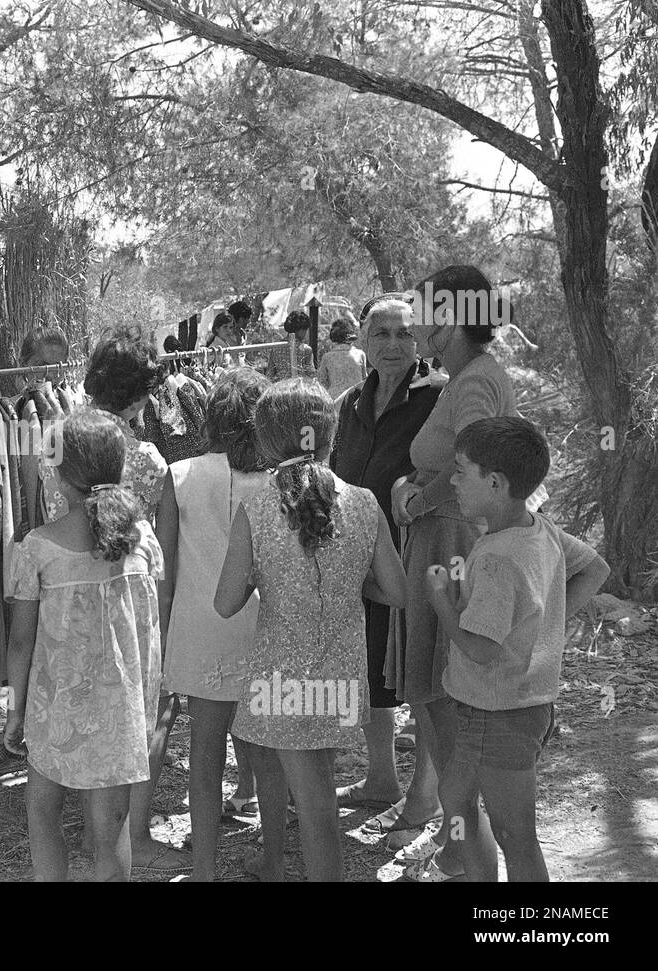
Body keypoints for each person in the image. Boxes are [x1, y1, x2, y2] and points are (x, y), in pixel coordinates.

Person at [215, 378, 407, 881]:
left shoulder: (256, 509)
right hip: (340, 666)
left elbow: (225, 602)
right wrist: (346, 586)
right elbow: (398, 592)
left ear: (263, 441)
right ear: (330, 435)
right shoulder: (364, 502)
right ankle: (274, 865)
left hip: (279, 673)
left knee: (308, 799)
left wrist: (273, 579)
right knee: (314, 790)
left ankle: (290, 867)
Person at [388, 265, 524, 880]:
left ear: (449, 317)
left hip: (452, 545)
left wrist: (418, 497)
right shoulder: (466, 377)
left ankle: (471, 853)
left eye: (422, 312)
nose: (416, 325)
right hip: (444, 538)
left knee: (445, 700)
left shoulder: (473, 383)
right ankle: (460, 842)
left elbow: (472, 465)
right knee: (441, 701)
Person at [429, 416, 609, 881]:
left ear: (494, 482)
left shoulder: (495, 559)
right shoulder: (540, 529)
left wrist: (441, 602)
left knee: (517, 838)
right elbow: (595, 569)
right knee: (455, 800)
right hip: (508, 707)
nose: (452, 479)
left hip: (499, 711)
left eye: (460, 470)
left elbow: (481, 650)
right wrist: (546, 625)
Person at [37, 328, 184, 869]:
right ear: (142, 395)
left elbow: (44, 533)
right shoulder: (146, 459)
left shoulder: (56, 444)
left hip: (65, 619)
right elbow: (162, 564)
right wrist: (160, 635)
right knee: (137, 729)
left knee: (69, 724)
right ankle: (129, 837)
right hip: (128, 620)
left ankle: (85, 833)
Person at [2, 409, 165, 882]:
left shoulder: (37, 547)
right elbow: (152, 627)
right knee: (111, 830)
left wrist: (16, 710)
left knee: (42, 813)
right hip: (122, 712)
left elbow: (19, 642)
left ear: (59, 477)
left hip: (57, 710)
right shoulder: (143, 541)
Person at [329, 296, 443, 825]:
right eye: (381, 335)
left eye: (404, 334)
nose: (393, 345)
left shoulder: (438, 397)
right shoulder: (350, 403)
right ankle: (381, 778)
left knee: (419, 673)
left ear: (419, 341)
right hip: (359, 557)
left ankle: (426, 792)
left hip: (418, 555)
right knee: (371, 667)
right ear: (363, 343)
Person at [156, 368, 270, 881]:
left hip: (199, 629)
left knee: (205, 752)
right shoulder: (281, 480)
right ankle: (272, 853)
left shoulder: (177, 475)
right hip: (264, 628)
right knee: (267, 748)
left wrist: (161, 638)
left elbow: (166, 568)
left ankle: (203, 867)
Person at [9, 326, 70, 397]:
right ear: (23, 365)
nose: (49, 375)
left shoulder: (77, 403)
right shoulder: (7, 407)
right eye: (42, 365)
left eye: (57, 367)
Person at [317, 318, 367, 397]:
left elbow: (321, 381)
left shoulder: (327, 357)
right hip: (356, 398)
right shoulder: (360, 354)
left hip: (334, 398)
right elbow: (365, 380)